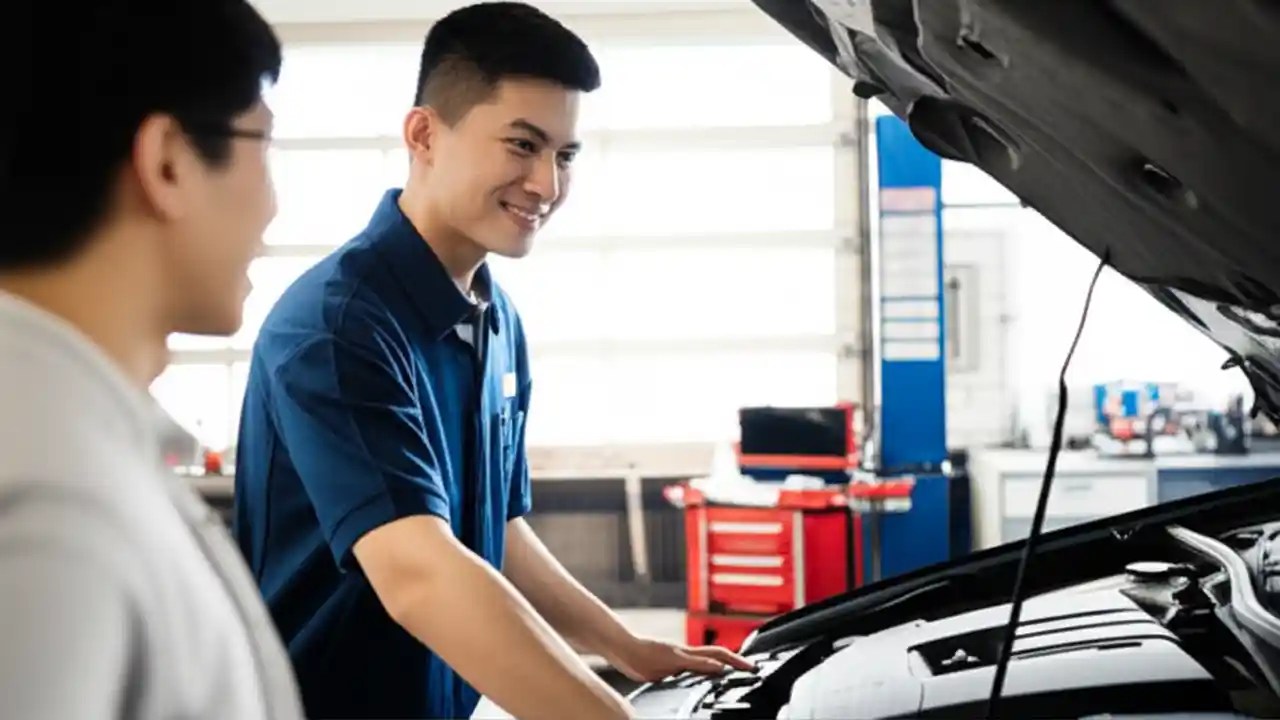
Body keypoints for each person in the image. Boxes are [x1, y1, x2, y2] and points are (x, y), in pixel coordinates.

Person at [232, 2, 754, 719]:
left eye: (565, 155)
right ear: (424, 134)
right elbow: (418, 573)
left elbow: (494, 530)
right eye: (521, 145)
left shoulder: (494, 316)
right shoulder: (338, 328)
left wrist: (624, 647)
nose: (547, 184)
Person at [0, 1, 304, 719]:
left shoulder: (80, 444)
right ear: (167, 161)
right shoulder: (57, 508)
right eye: (263, 145)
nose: (272, 208)